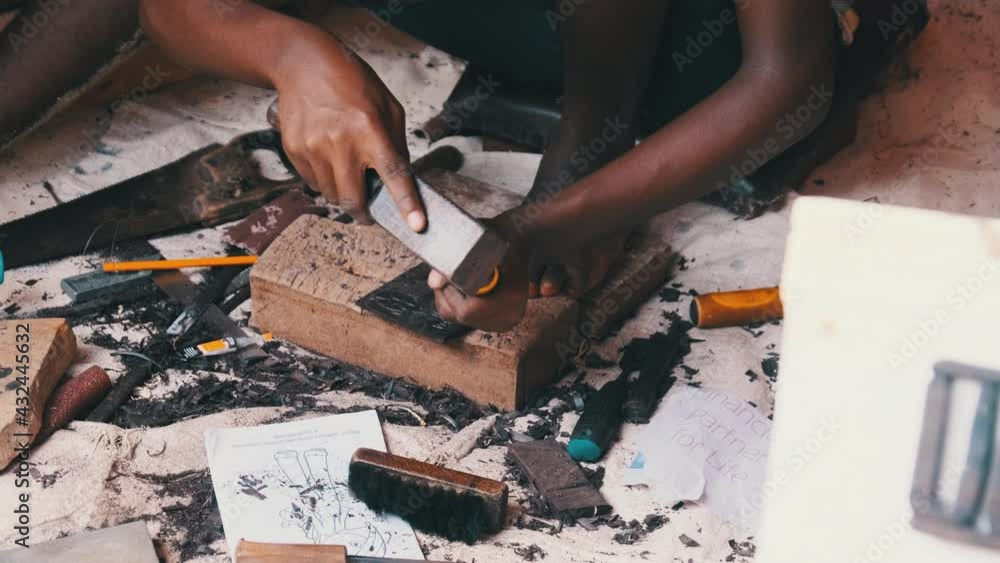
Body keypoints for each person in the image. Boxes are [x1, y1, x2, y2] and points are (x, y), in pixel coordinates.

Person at [136, 0, 844, 331]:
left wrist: (549, 219)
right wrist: (292, 56)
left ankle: (597, 123)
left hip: (706, 44)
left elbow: (792, 77)